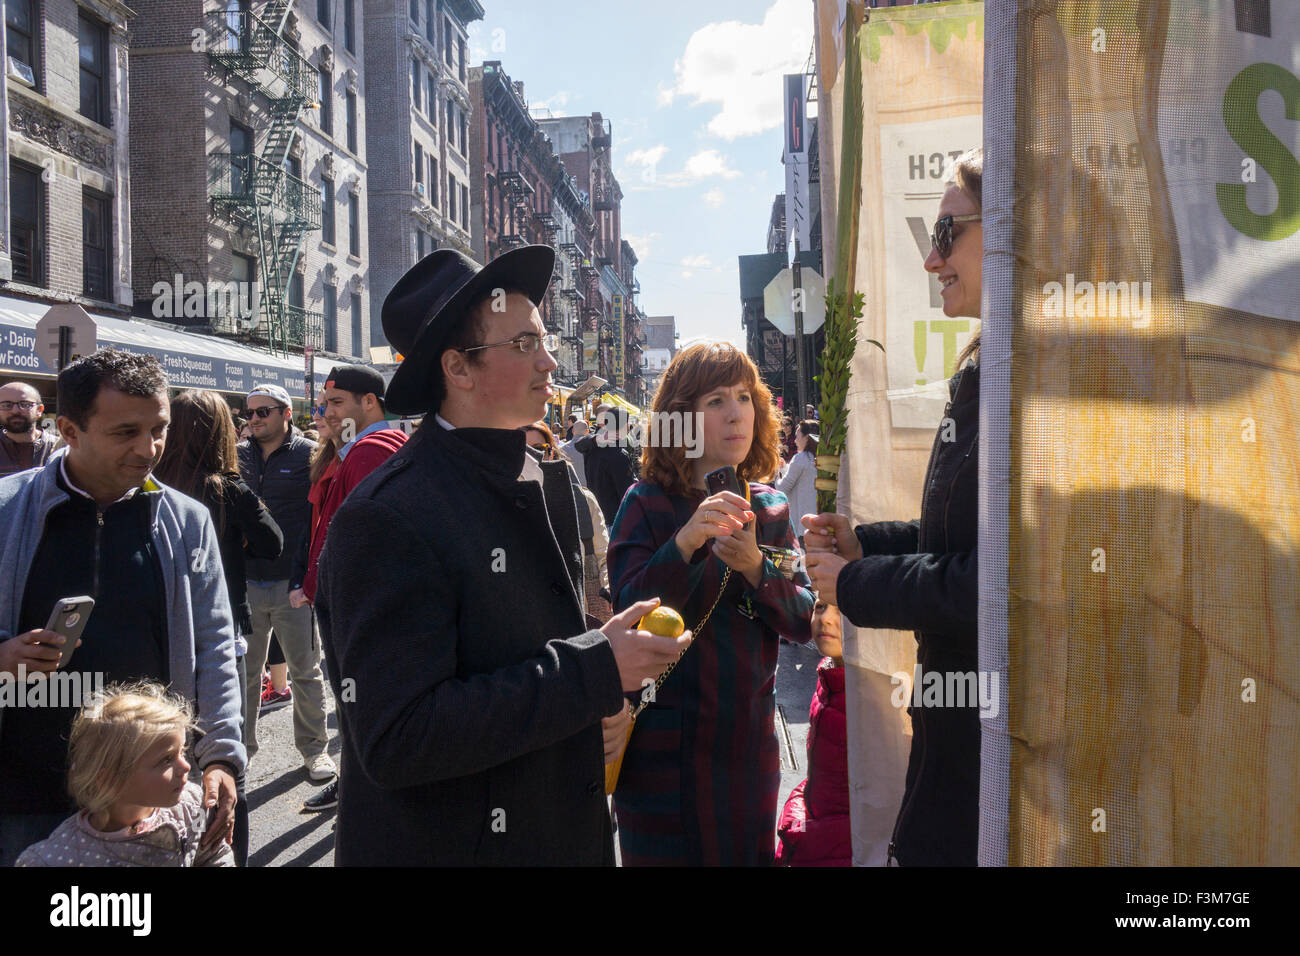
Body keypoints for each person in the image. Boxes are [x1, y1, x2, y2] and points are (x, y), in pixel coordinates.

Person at [316, 246, 693, 865]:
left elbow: (532, 663)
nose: (549, 362)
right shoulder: (387, 516)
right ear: (458, 370)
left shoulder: (545, 482)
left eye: (542, 340)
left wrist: (604, 703)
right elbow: (398, 738)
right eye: (523, 345)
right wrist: (597, 670)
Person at [803, 146, 984, 867]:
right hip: (957, 720)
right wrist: (864, 544)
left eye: (946, 235)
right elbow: (954, 540)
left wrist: (853, 585)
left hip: (1000, 743)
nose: (931, 261)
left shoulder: (1041, 382)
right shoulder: (987, 367)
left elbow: (998, 580)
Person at [0, 348, 244, 866]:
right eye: (124, 432)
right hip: (25, 790)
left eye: (159, 429)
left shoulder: (188, 521)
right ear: (69, 429)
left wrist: (221, 754)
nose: (148, 448)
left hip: (149, 799)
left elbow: (216, 642)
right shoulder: (6, 511)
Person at [607, 341, 815, 866]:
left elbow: (802, 619)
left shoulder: (770, 508)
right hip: (663, 753)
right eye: (716, 399)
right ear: (681, 417)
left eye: (745, 397)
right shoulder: (646, 501)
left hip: (746, 750)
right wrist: (683, 545)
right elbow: (627, 615)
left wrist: (755, 567)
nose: (735, 413)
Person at [153, 388, 283, 866]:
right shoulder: (228, 490)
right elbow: (273, 543)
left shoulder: (148, 485)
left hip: (162, 633)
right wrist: (236, 548)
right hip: (223, 629)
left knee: (164, 753)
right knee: (223, 759)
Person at [16, 682, 234, 867]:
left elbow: (214, 854)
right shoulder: (60, 856)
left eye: (183, 752)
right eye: (166, 760)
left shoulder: (191, 806)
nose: (186, 767)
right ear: (109, 778)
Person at [236, 384, 334, 783]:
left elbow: (321, 518)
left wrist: (310, 578)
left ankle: (315, 751)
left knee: (305, 671)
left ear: (286, 413)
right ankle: (239, 752)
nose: (255, 419)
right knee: (244, 674)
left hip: (293, 586)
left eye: (264, 412)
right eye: (251, 413)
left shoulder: (309, 454)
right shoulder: (237, 455)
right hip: (245, 584)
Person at [300, 366, 407, 605]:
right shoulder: (365, 450)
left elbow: (370, 545)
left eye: (336, 402)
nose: (327, 412)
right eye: (326, 404)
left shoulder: (370, 452)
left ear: (369, 401)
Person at [776, 600, 851, 866]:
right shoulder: (829, 676)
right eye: (821, 607)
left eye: (842, 611)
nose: (826, 619)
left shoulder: (871, 700)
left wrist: (804, 832)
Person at [527, 420, 611, 620]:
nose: (532, 458)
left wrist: (608, 588)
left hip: (582, 607)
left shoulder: (583, 499)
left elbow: (604, 554)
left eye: (539, 449)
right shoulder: (502, 502)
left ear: (552, 453)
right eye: (525, 451)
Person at [575, 404, 637, 526]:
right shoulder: (619, 454)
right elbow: (627, 492)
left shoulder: (593, 448)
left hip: (598, 515)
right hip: (615, 518)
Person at [777, 420, 819, 547]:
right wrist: (784, 468)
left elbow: (782, 488)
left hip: (801, 524)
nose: (795, 440)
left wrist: (776, 472)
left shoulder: (800, 458)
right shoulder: (817, 457)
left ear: (806, 438)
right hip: (816, 520)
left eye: (797, 436)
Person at [0, 382, 55, 479]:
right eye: (6, 405)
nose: (15, 410)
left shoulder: (61, 449)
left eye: (25, 404)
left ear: (39, 410)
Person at [558, 417, 590, 487]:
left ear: (572, 431)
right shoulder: (594, 449)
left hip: (571, 489)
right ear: (587, 432)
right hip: (590, 490)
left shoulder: (562, 449)